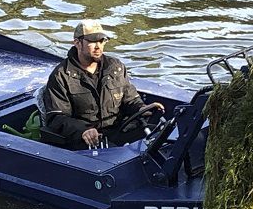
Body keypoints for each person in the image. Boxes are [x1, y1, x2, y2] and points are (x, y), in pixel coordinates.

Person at [42, 20, 163, 150]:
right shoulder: (61, 75)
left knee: (159, 134)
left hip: (117, 131)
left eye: (102, 41)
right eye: (92, 41)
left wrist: (142, 109)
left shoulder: (115, 67)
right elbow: (56, 118)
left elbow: (130, 100)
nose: (98, 46)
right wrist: (84, 131)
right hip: (84, 140)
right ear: (77, 43)